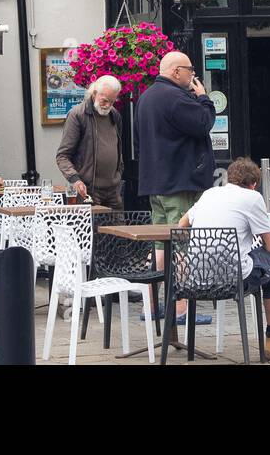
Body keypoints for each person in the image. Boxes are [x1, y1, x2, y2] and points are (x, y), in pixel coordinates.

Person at [181, 158, 270, 361]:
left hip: (197, 278)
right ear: (254, 184)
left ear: (228, 178)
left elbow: (182, 223)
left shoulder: (209, 194)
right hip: (234, 279)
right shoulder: (252, 198)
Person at [136, 51, 217, 323]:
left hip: (156, 183)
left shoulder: (147, 97)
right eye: (190, 70)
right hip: (178, 182)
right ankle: (181, 309)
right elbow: (203, 123)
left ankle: (151, 306)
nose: (193, 75)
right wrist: (204, 98)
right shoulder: (175, 98)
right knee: (181, 245)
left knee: (160, 242)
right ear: (175, 71)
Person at [56, 74, 125, 210]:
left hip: (113, 189)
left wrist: (119, 171)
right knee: (92, 231)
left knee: (117, 228)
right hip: (88, 190)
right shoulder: (78, 115)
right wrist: (75, 180)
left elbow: (118, 146)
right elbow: (62, 156)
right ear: (94, 93)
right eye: (105, 100)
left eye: (112, 102)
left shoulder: (114, 115)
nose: (108, 106)